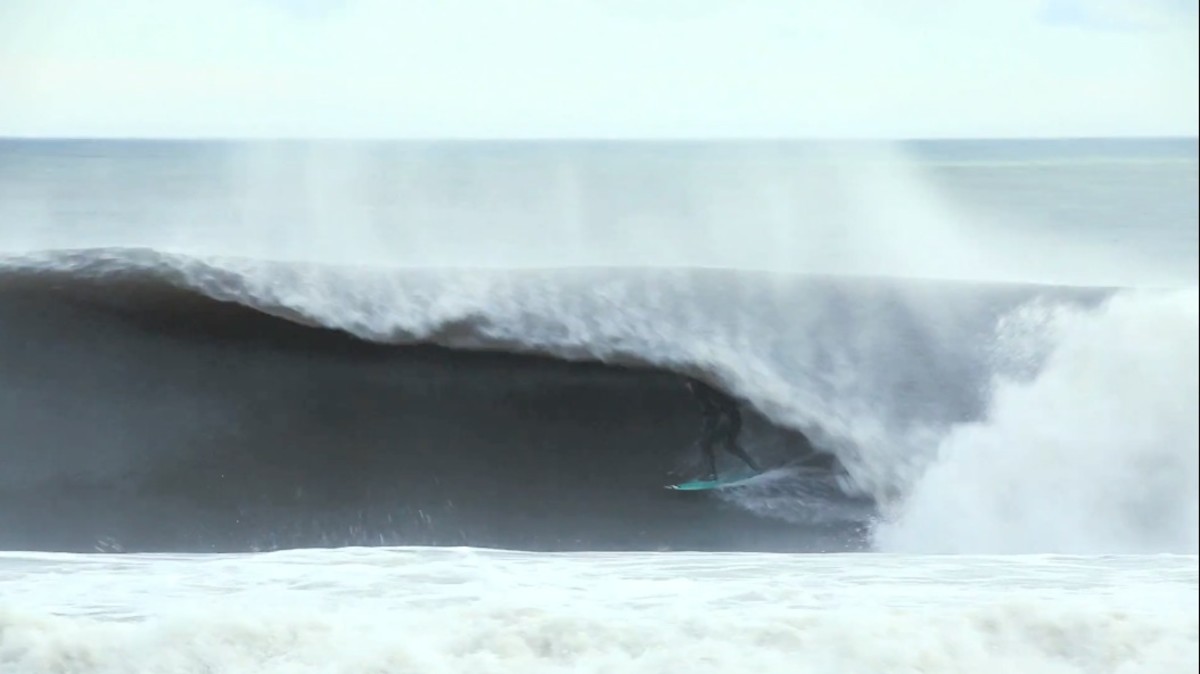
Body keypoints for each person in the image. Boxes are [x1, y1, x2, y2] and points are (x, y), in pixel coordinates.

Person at [685, 377, 761, 481]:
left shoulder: (707, 392)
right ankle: (755, 467)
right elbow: (711, 413)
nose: (687, 387)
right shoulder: (703, 394)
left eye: (688, 384)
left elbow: (720, 409)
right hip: (732, 419)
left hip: (728, 419)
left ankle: (711, 474)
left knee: (705, 444)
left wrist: (716, 425)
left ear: (693, 384)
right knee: (729, 445)